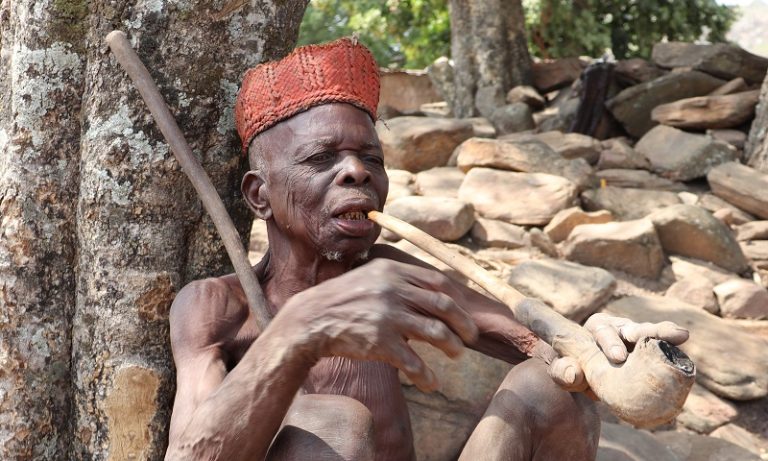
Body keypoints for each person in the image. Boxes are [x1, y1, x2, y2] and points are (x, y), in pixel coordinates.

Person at [164, 38, 688, 461]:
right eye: (322, 159)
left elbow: (535, 343)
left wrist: (597, 350)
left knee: (552, 389)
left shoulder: (383, 275)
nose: (357, 171)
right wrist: (297, 332)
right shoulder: (216, 307)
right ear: (260, 196)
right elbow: (191, 453)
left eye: (371, 158)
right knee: (334, 425)